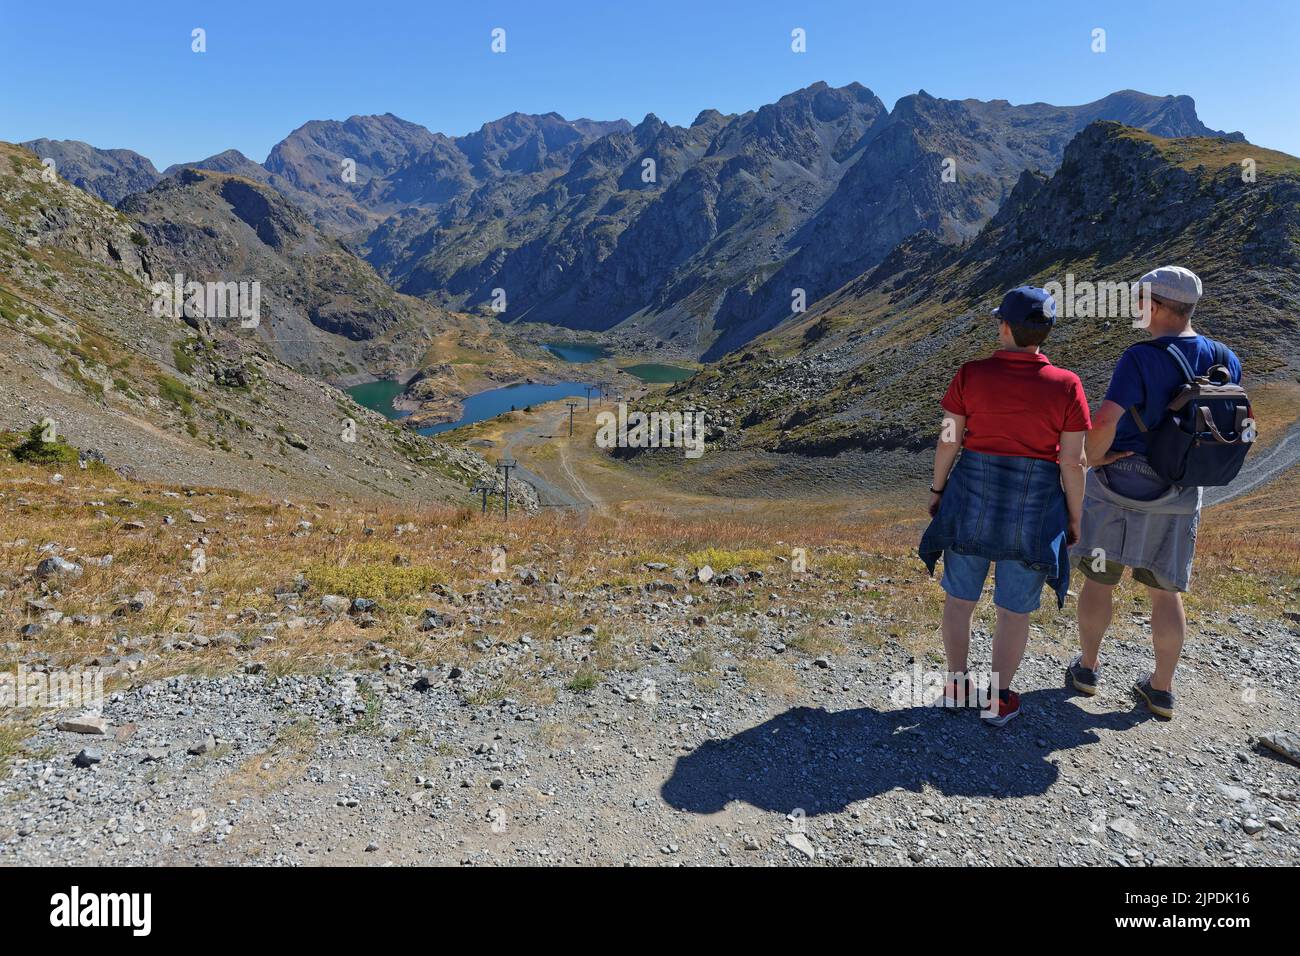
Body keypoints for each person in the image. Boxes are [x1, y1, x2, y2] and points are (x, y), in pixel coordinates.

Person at [1069, 266, 1242, 720]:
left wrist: (1094, 458)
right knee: (1165, 594)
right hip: (1178, 493)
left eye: (1141, 298)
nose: (1136, 306)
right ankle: (1161, 690)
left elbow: (1106, 420)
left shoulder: (1140, 357)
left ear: (1160, 305)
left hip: (1118, 486)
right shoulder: (1225, 356)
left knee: (1099, 578)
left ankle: (1087, 669)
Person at [919, 287, 1091, 726]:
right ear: (1046, 332)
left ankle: (956, 686)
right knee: (1014, 609)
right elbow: (1073, 462)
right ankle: (999, 700)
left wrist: (938, 491)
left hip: (971, 496)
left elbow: (948, 439)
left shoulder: (970, 375)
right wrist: (1074, 516)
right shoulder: (1067, 385)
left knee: (960, 600)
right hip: (1034, 508)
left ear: (1006, 327)